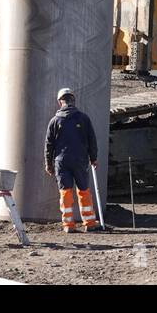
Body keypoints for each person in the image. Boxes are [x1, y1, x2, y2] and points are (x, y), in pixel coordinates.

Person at [44, 88, 100, 233]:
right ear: (73, 101)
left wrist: (48, 164)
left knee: (65, 192)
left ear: (59, 102)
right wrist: (93, 158)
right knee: (83, 190)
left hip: (61, 161)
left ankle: (68, 225)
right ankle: (89, 223)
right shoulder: (83, 118)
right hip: (80, 160)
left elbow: (49, 145)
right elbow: (92, 140)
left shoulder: (54, 121)